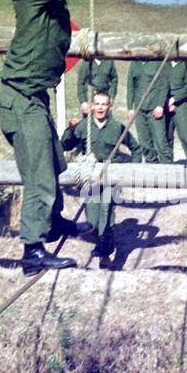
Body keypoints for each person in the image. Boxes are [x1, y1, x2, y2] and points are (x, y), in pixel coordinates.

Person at [0, 0, 103, 275]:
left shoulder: (48, 1)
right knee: (39, 175)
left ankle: (53, 221)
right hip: (20, 101)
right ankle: (32, 251)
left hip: (33, 99)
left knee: (55, 162)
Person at [61, 91, 143, 264]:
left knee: (106, 208)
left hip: (110, 176)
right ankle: (103, 243)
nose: (100, 108)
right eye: (97, 104)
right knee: (92, 218)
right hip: (90, 177)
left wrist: (131, 171)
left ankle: (105, 251)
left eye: (103, 104)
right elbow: (66, 145)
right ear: (92, 106)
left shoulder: (117, 128)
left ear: (109, 106)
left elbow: (136, 148)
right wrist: (71, 128)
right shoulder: (85, 126)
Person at [126, 59, 174, 164]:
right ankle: (152, 165)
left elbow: (164, 85)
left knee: (161, 143)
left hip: (154, 108)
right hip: (139, 109)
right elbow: (130, 86)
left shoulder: (158, 62)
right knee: (144, 143)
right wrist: (130, 107)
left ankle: (168, 166)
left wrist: (160, 105)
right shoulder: (134, 63)